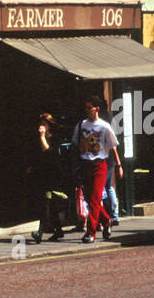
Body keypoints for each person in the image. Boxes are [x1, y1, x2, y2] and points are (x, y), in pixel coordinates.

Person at [71, 97, 118, 244]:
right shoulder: (81, 125)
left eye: (89, 107)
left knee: (95, 199)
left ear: (97, 109)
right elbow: (75, 144)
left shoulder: (104, 126)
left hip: (100, 165)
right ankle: (106, 221)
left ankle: (90, 232)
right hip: (85, 164)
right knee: (90, 198)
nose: (87, 110)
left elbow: (112, 146)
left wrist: (118, 165)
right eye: (85, 108)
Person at [28, 113, 65, 244]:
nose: (41, 127)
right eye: (40, 124)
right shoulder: (38, 138)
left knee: (46, 204)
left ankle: (40, 232)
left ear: (49, 126)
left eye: (44, 124)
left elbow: (49, 153)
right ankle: (59, 230)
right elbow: (37, 155)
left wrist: (42, 137)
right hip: (42, 174)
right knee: (50, 204)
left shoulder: (54, 139)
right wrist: (32, 166)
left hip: (53, 175)